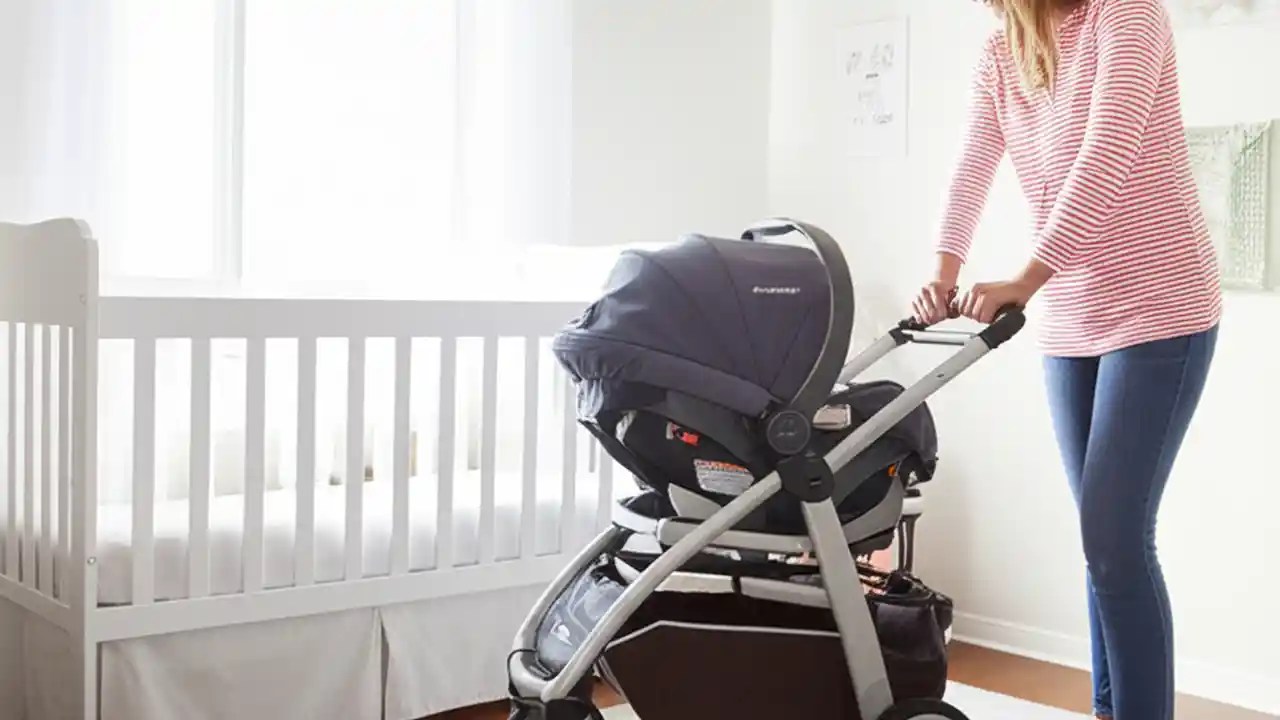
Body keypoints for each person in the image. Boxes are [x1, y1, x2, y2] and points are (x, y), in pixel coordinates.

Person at [911, 0, 1223, 718]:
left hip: (1161, 305)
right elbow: (970, 167)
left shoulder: (1130, 16)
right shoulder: (1001, 52)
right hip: (1072, 316)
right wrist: (944, 269)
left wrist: (1026, 275)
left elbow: (1106, 152)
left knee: (1116, 538)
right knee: (1100, 542)